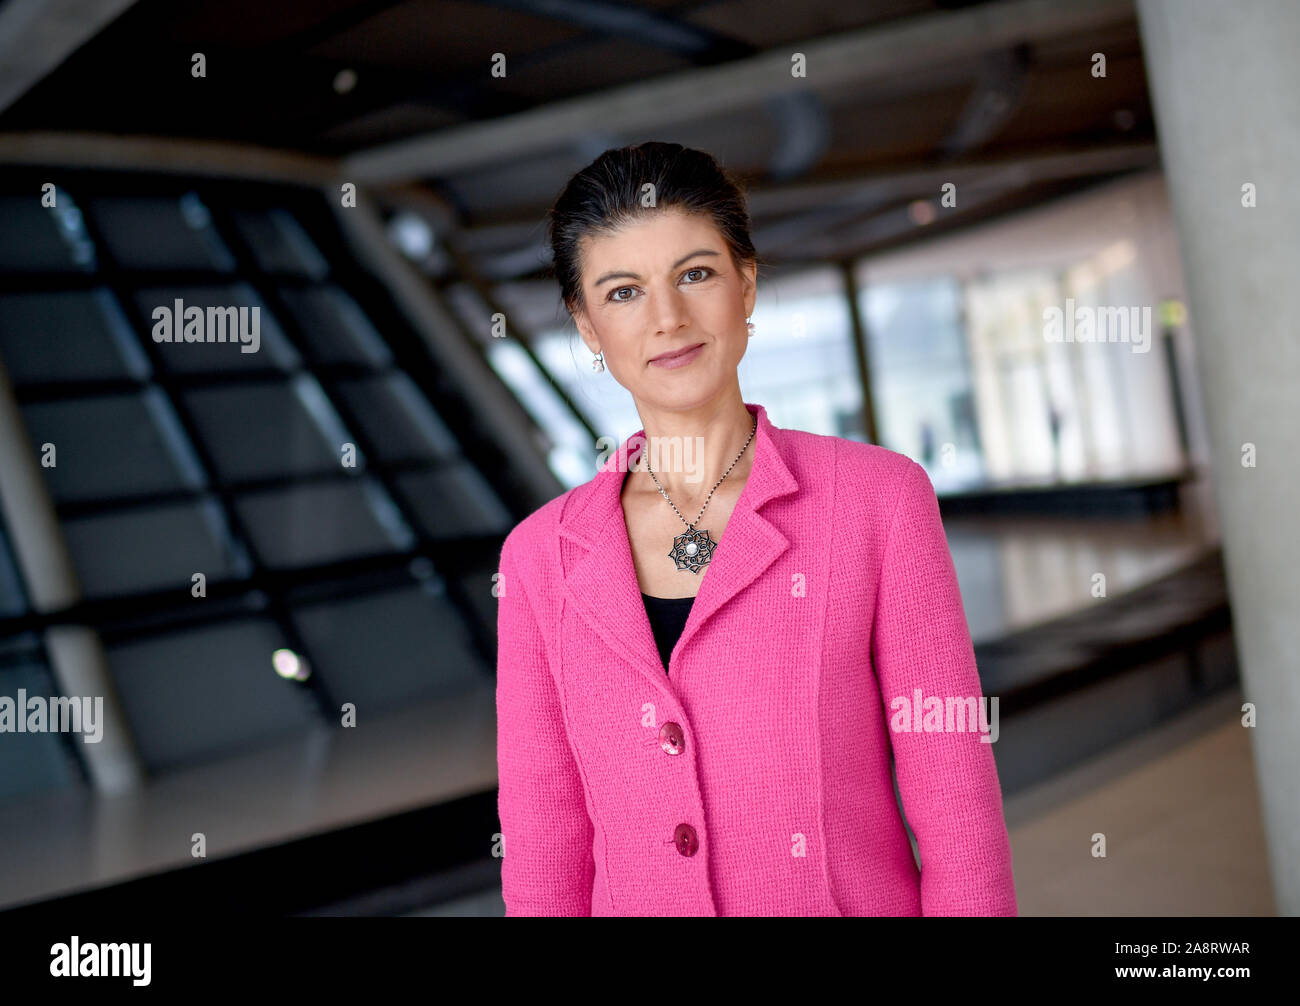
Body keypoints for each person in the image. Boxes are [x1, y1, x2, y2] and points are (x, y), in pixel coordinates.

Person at [495, 141, 1017, 916]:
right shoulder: (539, 557)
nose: (667, 319)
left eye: (695, 274)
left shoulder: (878, 501)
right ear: (587, 326)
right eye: (624, 291)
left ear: (746, 284)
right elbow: (544, 837)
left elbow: (955, 801)